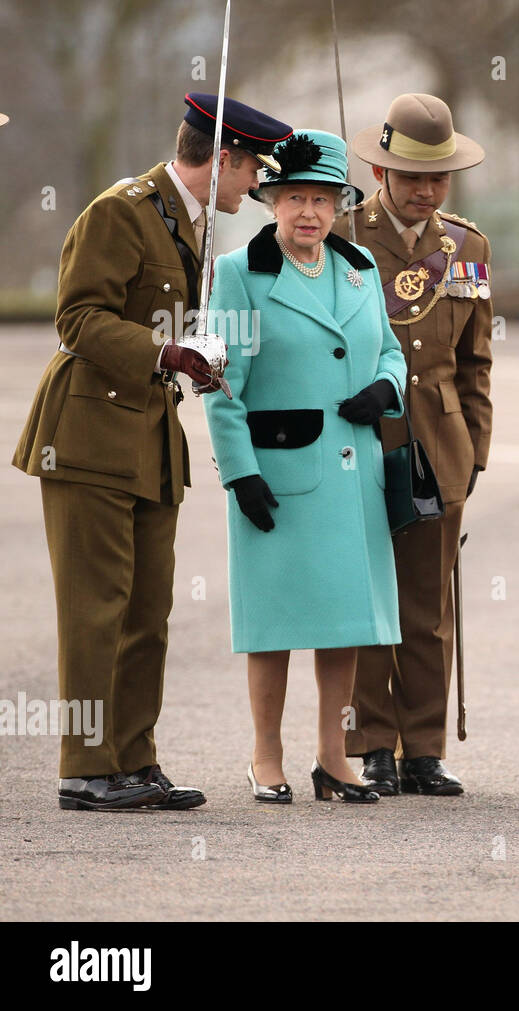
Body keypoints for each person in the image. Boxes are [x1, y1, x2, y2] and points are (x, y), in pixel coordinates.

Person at [12, 93, 290, 811]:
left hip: (149, 438)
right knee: (94, 606)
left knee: (146, 609)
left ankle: (133, 760)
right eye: (252, 166)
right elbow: (76, 317)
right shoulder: (122, 210)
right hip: (88, 433)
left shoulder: (191, 223)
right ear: (222, 157)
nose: (256, 182)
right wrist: (165, 350)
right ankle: (85, 767)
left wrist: (195, 357)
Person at [203, 129, 407, 806]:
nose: (309, 213)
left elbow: (391, 355)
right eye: (295, 198)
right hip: (280, 475)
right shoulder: (240, 272)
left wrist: (385, 389)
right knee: (276, 621)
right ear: (270, 200)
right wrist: (239, 472)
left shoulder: (361, 267)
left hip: (353, 477)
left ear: (341, 204)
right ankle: (266, 754)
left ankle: (332, 756)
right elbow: (220, 381)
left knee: (342, 619)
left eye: (322, 199)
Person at [340, 94, 493, 799]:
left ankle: (424, 748)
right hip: (362, 435)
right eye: (411, 176)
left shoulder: (467, 246)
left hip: (441, 442)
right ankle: (372, 743)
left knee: (429, 606)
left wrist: (476, 450)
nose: (425, 190)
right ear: (379, 170)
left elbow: (476, 364)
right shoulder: (341, 235)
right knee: (370, 597)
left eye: (438, 177)